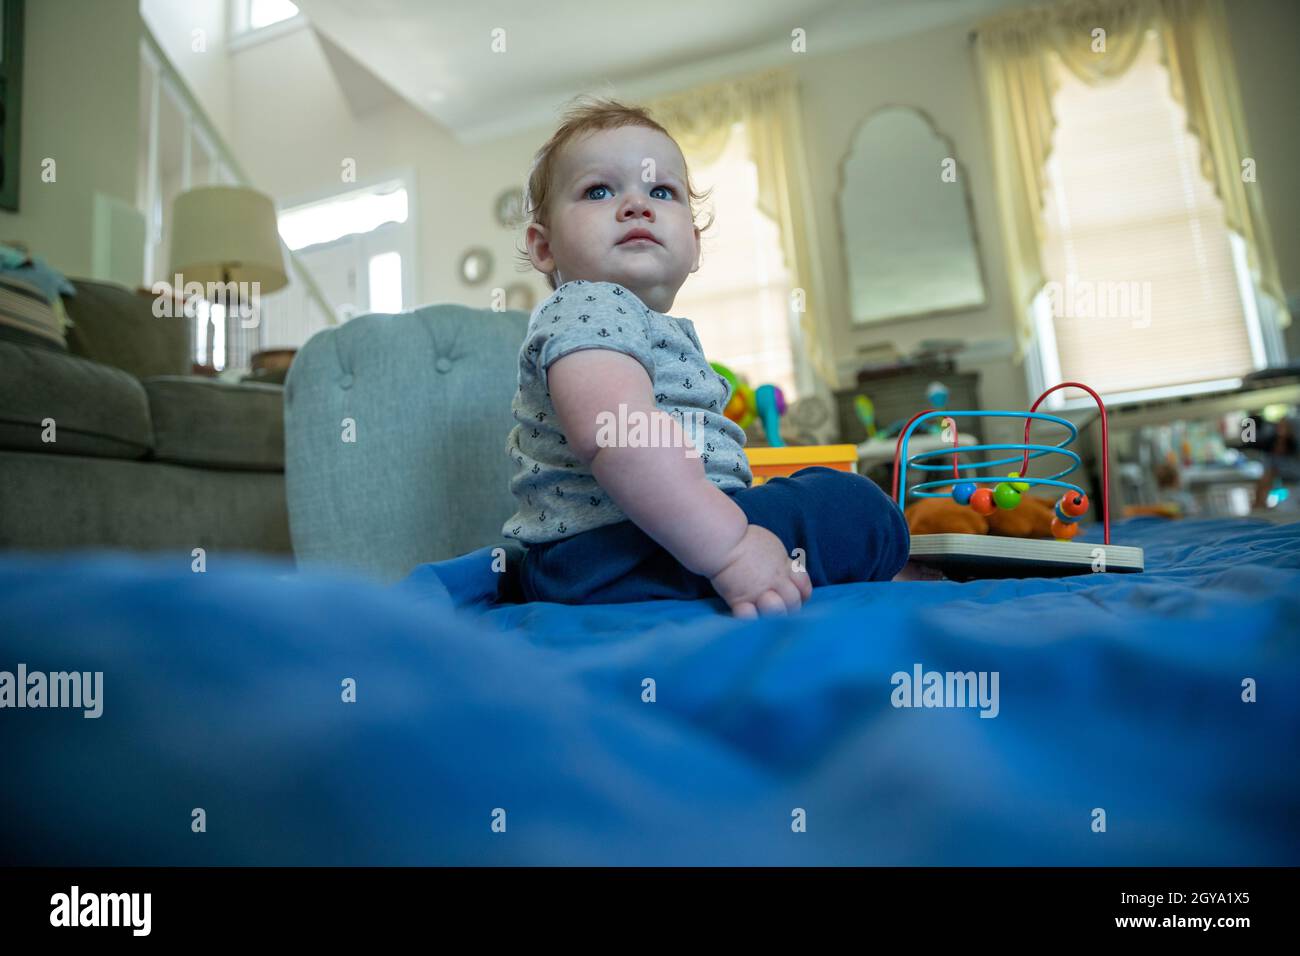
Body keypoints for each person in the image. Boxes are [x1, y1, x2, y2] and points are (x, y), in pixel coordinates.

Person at [502, 97, 909, 617]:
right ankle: (889, 562)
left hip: (636, 548)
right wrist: (732, 549)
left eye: (662, 191)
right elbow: (622, 439)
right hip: (607, 555)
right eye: (598, 191)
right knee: (852, 504)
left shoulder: (635, 322)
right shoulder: (588, 307)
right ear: (544, 246)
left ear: (693, 245)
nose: (636, 205)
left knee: (804, 492)